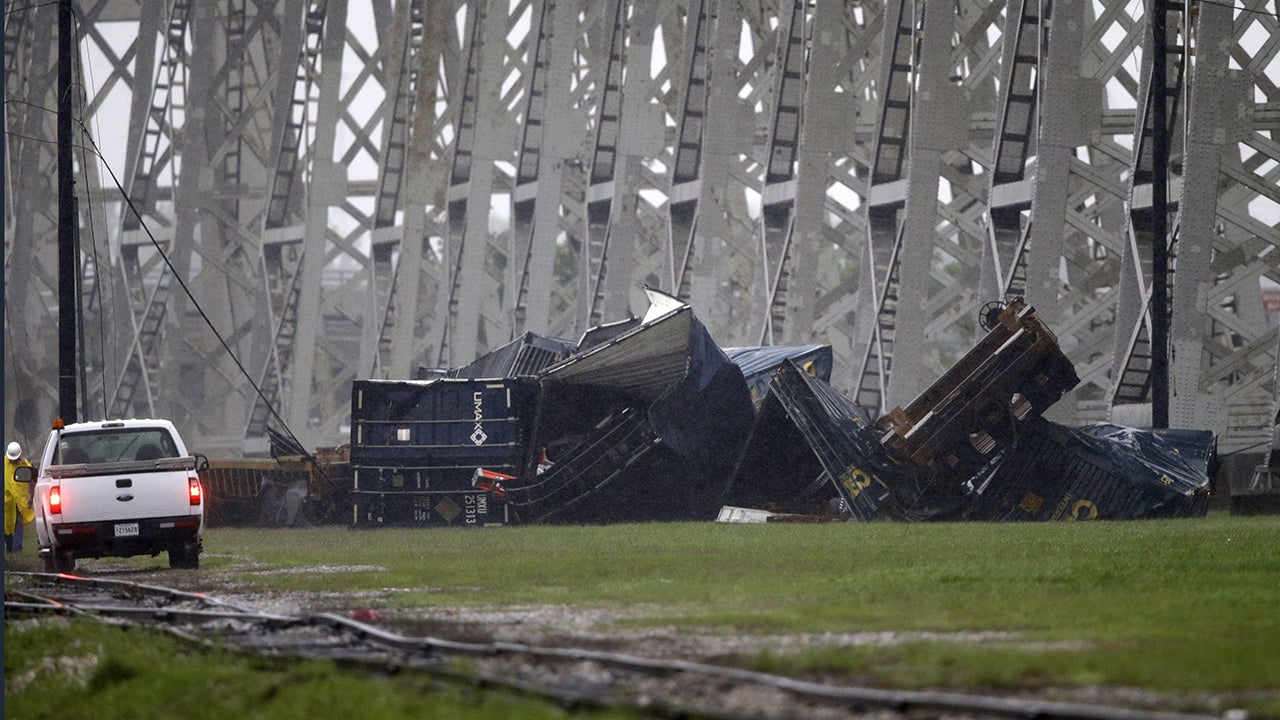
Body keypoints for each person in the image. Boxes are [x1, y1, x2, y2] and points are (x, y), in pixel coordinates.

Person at [5, 441, 35, 553]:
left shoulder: (24, 465)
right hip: (6, 501)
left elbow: (33, 477)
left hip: (18, 502)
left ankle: (17, 548)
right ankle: (9, 546)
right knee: (6, 526)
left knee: (18, 524)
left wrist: (31, 497)